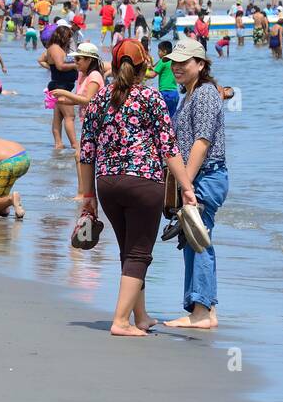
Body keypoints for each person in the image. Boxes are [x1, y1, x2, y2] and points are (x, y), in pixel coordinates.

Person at [76, 39, 197, 337]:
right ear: (145, 67)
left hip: (107, 185)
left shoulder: (99, 99)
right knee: (140, 252)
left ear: (113, 67)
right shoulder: (151, 99)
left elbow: (86, 151)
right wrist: (186, 188)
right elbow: (169, 149)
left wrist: (87, 197)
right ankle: (120, 321)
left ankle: (139, 315)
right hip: (144, 183)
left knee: (128, 249)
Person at [163, 39, 229, 331]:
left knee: (198, 240)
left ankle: (201, 311)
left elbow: (202, 143)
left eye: (184, 62)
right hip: (197, 176)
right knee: (195, 239)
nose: (177, 67)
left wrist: (186, 185)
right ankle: (206, 308)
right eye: (174, 62)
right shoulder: (188, 94)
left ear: (201, 64)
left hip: (206, 176)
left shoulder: (203, 94)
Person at [39, 25, 79, 150]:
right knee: (69, 116)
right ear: (62, 36)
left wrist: (51, 68)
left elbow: (42, 60)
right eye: (68, 37)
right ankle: (75, 145)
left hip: (62, 85)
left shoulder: (56, 48)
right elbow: (60, 66)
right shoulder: (55, 48)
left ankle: (58, 144)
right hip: (61, 86)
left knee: (58, 117)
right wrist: (75, 65)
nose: (69, 40)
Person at [50, 40, 106, 124]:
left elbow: (88, 101)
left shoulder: (94, 75)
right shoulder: (81, 74)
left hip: (97, 120)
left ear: (89, 60)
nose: (75, 61)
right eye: (75, 58)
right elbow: (78, 99)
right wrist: (61, 100)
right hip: (86, 120)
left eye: (78, 59)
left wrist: (64, 93)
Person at [149, 40, 181, 119]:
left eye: (159, 50)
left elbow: (152, 75)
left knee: (162, 117)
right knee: (172, 117)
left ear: (164, 51)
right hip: (175, 94)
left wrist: (141, 73)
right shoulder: (174, 60)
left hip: (165, 93)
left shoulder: (163, 60)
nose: (158, 52)